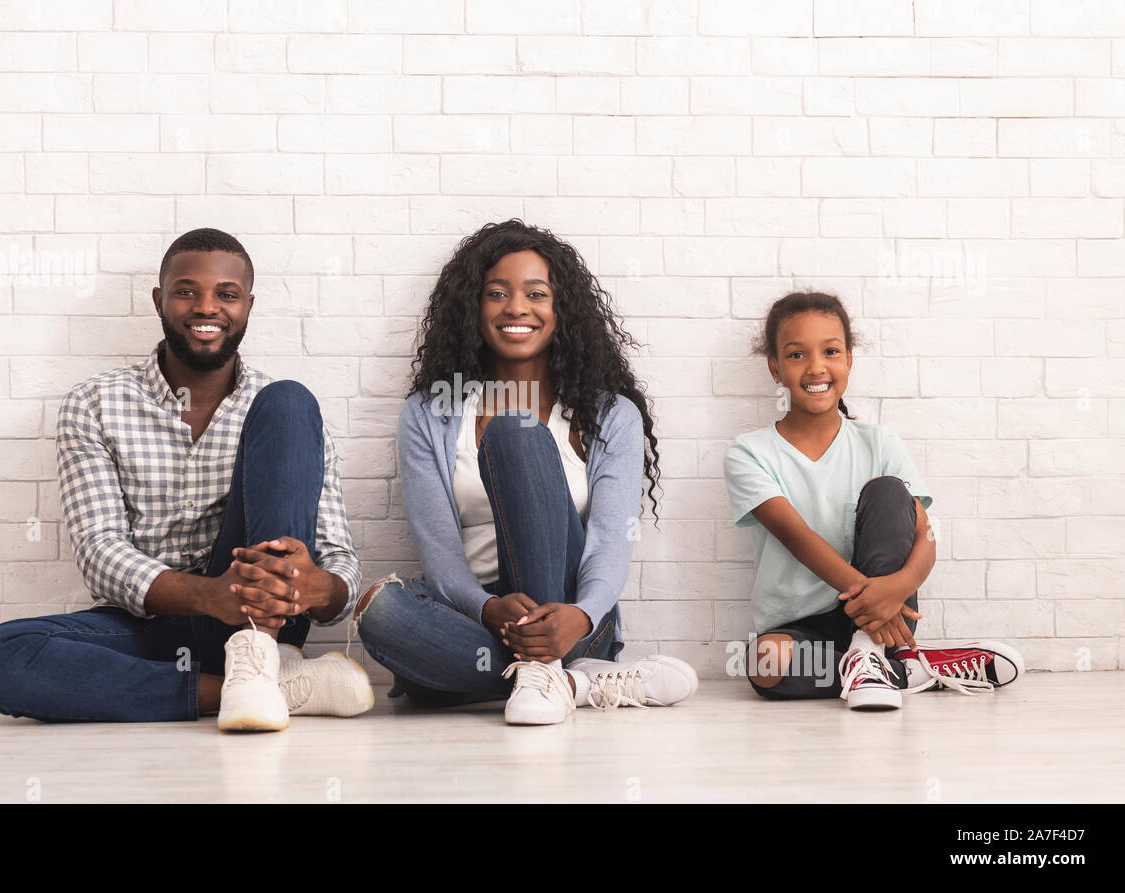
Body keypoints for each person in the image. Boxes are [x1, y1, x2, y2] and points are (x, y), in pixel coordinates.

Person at [0, 228, 373, 732]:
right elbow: (98, 551)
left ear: (248, 305)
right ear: (160, 300)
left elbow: (338, 565)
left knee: (290, 400)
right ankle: (262, 686)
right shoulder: (96, 403)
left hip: (262, 619)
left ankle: (257, 653)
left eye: (226, 294)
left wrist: (317, 588)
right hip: (148, 626)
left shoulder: (282, 413)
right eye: (186, 291)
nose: (207, 307)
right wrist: (210, 595)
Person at [354, 219, 698, 725]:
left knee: (515, 429)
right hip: (476, 616)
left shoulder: (609, 414)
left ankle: (538, 667)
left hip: (571, 615)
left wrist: (579, 615)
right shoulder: (431, 413)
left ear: (562, 310)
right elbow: (440, 553)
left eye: (536, 293)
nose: (516, 307)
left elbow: (609, 539)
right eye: (496, 294)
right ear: (473, 308)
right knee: (380, 612)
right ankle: (575, 681)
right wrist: (488, 610)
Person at [724, 292, 1024, 710]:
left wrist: (897, 588)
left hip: (888, 607)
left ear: (848, 360)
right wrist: (868, 601)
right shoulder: (750, 452)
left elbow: (925, 533)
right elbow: (796, 536)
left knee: (887, 489)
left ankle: (869, 650)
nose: (816, 367)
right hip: (805, 625)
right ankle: (909, 668)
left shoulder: (878, 441)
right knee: (764, 662)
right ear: (775, 367)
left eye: (830, 351)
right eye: (796, 355)